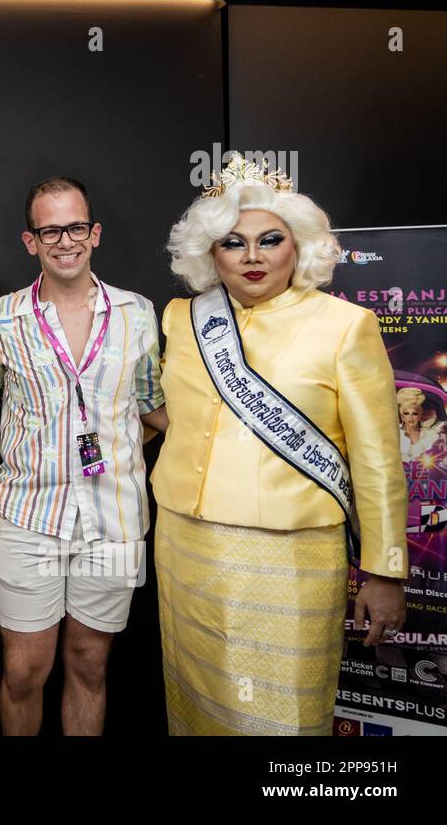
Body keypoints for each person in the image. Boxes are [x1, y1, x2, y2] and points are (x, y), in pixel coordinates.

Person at [153, 152, 408, 736]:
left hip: (291, 557)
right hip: (186, 544)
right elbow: (167, 415)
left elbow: (377, 460)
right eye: (232, 243)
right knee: (197, 710)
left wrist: (385, 571)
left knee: (281, 717)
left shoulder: (345, 325)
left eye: (270, 240)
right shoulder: (181, 319)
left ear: (300, 246)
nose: (253, 257)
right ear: (208, 254)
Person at [0, 176, 168, 736]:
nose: (65, 240)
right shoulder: (1, 318)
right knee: (23, 671)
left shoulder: (138, 313)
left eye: (75, 227)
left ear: (95, 233)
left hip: (115, 520)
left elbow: (153, 406)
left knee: (89, 662)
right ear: (30, 241)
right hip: (29, 518)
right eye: (49, 230)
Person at [397, 387, 443, 462]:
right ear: (402, 416)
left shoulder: (431, 435)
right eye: (406, 413)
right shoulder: (395, 434)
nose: (410, 417)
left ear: (419, 416)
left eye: (414, 413)